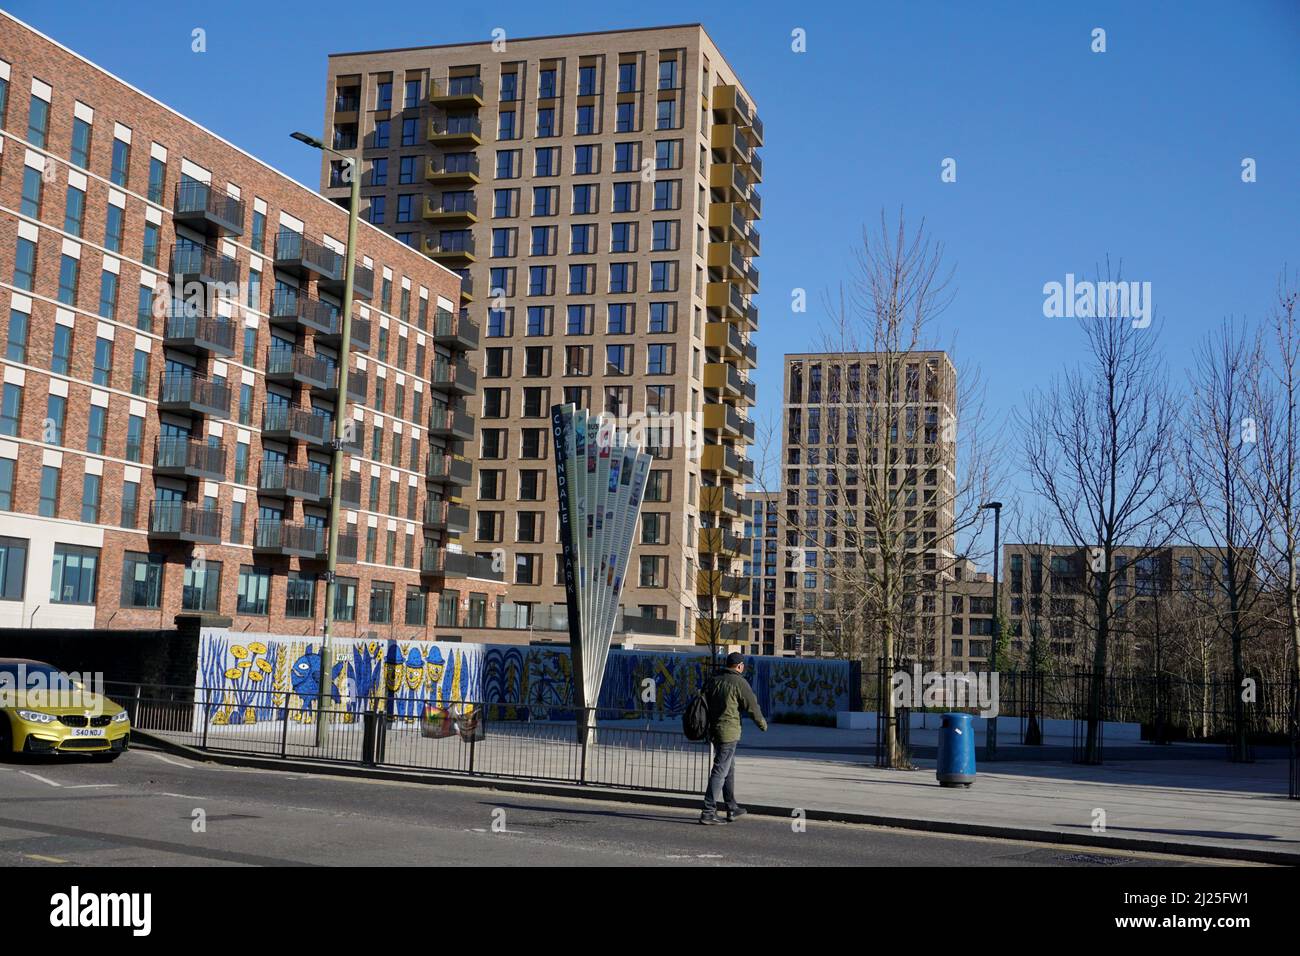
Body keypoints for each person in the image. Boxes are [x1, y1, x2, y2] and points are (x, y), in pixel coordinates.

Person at [699, 652, 767, 825]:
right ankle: (708, 811)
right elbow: (752, 705)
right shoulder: (739, 682)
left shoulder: (715, 680)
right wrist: (762, 725)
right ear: (739, 666)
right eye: (742, 666)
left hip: (714, 730)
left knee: (729, 769)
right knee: (720, 770)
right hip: (728, 732)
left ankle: (731, 807)